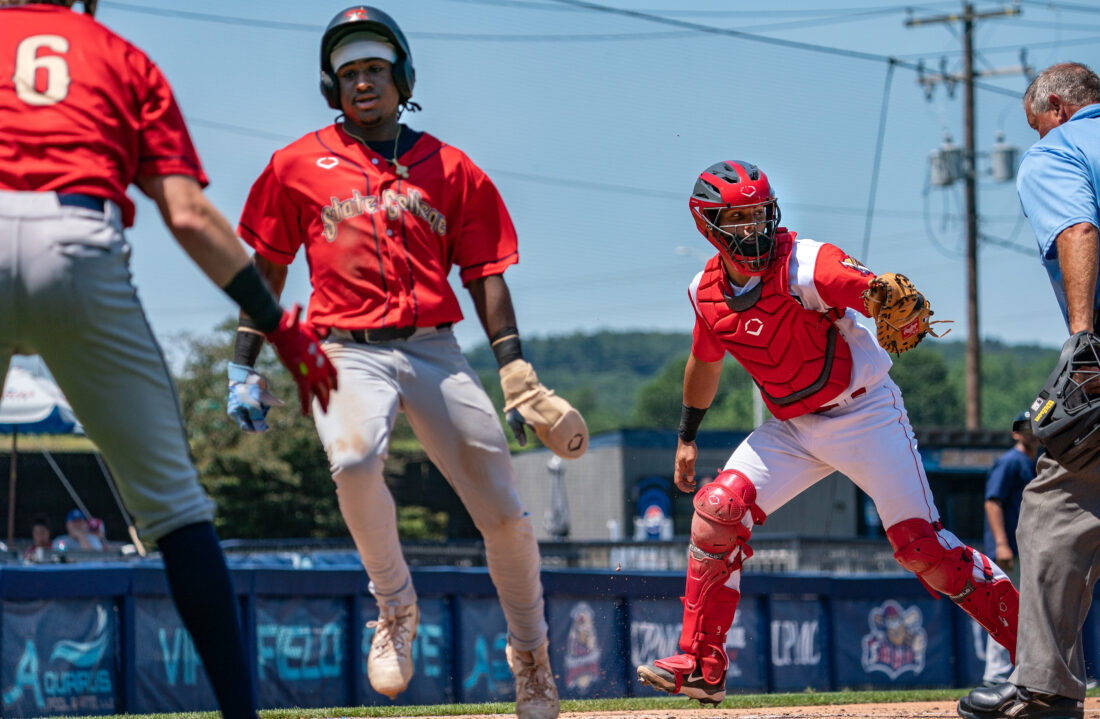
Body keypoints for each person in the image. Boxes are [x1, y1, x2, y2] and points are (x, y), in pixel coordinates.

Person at [226, 7, 585, 718]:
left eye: (375, 70)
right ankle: (394, 608)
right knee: (354, 461)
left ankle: (533, 657)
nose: (362, 83)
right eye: (349, 73)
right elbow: (264, 269)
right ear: (332, 87)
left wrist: (515, 368)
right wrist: (242, 363)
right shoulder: (294, 164)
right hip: (343, 350)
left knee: (506, 513)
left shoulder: (451, 167)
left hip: (433, 347)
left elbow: (486, 272)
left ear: (403, 78)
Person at [0, 2, 338, 718]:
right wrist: (280, 329)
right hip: (78, 242)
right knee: (179, 512)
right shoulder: (120, 55)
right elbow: (185, 214)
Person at [634, 160, 1019, 705]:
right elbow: (705, 361)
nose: (753, 228)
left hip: (865, 413)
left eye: (758, 214)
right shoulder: (704, 291)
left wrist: (883, 298)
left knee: (921, 549)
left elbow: (866, 288)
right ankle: (701, 665)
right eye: (737, 218)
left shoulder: (805, 263)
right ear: (707, 225)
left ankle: (1038, 651)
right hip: (792, 426)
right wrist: (687, 435)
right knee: (718, 509)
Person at [958, 62, 1100, 719]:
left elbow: (1077, 229)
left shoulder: (1060, 149)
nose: (1034, 135)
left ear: (1056, 108)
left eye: (1033, 122)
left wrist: (1082, 342)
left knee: (1057, 506)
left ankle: (1045, 689)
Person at [981, 411, 1038, 686]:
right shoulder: (1010, 461)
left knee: (1031, 613)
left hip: (1029, 550)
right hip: (1010, 552)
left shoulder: (1039, 461)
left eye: (1033, 425)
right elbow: (992, 502)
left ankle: (1027, 674)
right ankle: (995, 675)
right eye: (1023, 427)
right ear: (1015, 433)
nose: (1029, 430)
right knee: (1004, 612)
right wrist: (1002, 544)